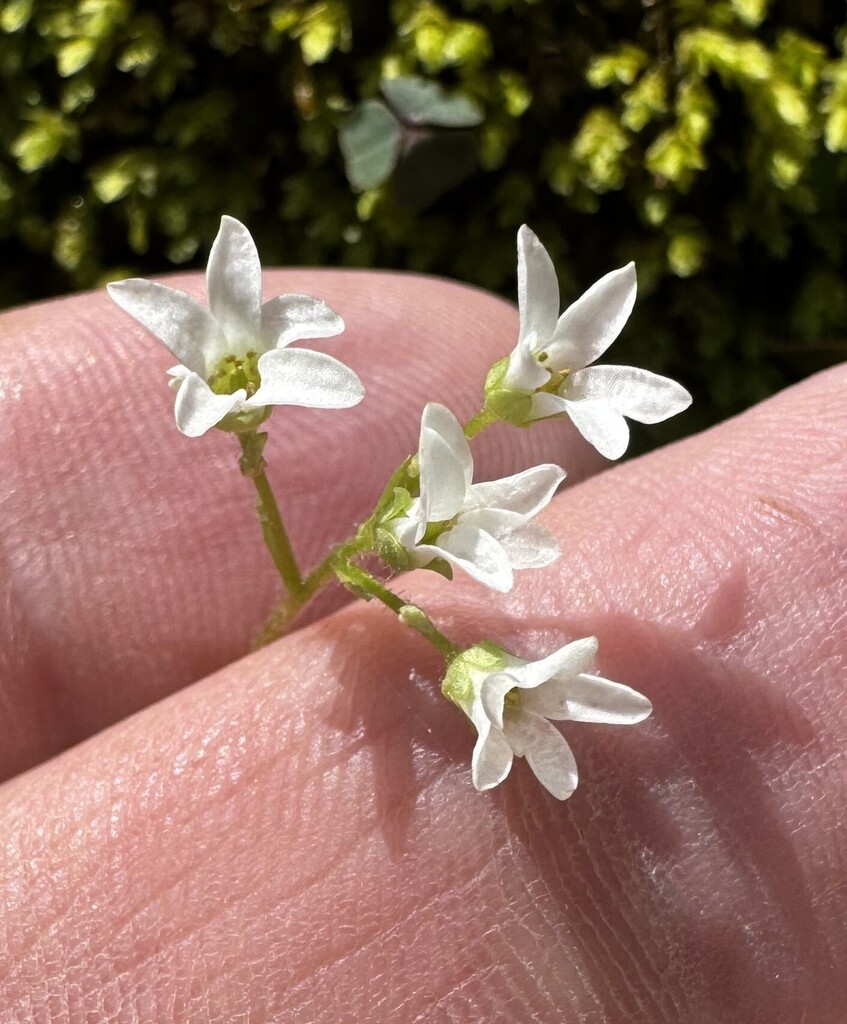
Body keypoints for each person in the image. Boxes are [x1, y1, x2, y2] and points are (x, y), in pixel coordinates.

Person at [0, 269, 844, 1022]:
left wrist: (469, 644)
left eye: (237, 373)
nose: (231, 377)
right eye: (229, 376)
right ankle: (491, 685)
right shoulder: (237, 389)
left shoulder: (434, 499)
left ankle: (493, 688)